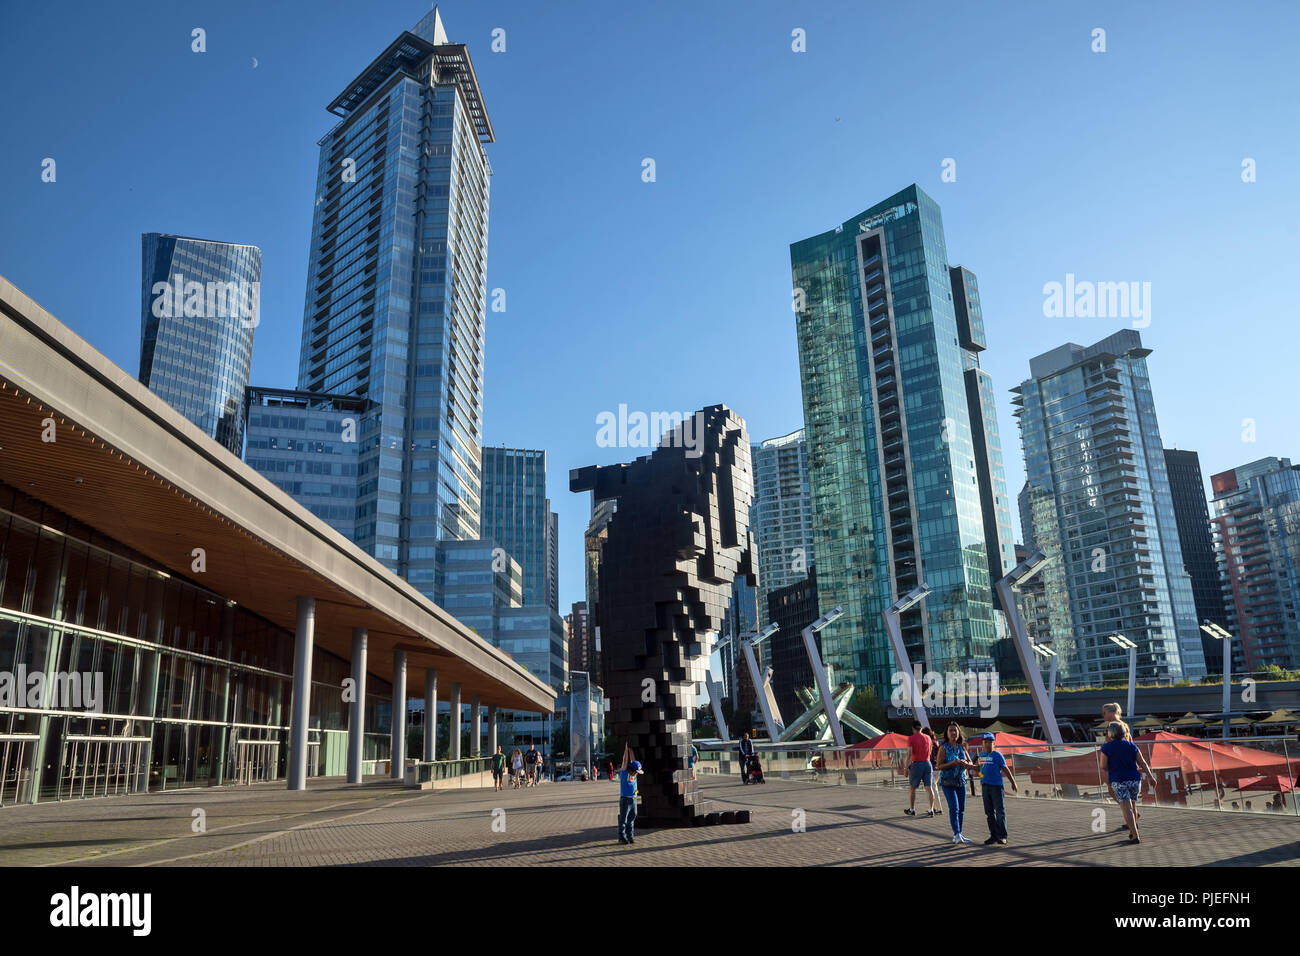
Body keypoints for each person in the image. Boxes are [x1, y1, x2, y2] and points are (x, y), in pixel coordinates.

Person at [1099, 720, 1156, 844]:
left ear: (1110, 734)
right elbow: (1142, 762)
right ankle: (1132, 830)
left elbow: (1103, 766)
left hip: (1118, 779)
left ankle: (1135, 835)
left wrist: (1112, 768)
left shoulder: (1107, 747)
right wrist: (1151, 777)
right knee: (1133, 806)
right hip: (1135, 779)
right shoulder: (1131, 745)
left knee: (1126, 808)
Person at [936, 724, 979, 844]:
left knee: (961, 809)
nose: (953, 733)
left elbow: (970, 762)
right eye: (951, 731)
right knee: (954, 808)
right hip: (948, 782)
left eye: (955, 731)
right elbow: (939, 766)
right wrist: (953, 763)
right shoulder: (943, 748)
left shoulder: (961, 747)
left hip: (961, 781)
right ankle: (956, 834)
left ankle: (959, 833)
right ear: (947, 733)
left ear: (959, 733)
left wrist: (966, 762)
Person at [976, 732, 1018, 844]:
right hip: (985, 787)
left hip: (996, 787)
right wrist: (981, 777)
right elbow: (980, 770)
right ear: (982, 744)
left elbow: (1005, 769)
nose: (988, 744)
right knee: (989, 812)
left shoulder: (998, 755)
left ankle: (1002, 836)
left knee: (1000, 812)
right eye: (986, 742)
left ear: (994, 743)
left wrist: (1013, 782)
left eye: (990, 742)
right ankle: (993, 835)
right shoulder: (981, 755)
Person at [1101, 703, 1137, 830]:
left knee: (1113, 791)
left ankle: (1130, 816)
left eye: (1104, 712)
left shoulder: (1112, 727)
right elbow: (1131, 743)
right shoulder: (1124, 725)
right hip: (1127, 763)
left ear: (1112, 712)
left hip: (1115, 765)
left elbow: (1108, 745)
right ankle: (1133, 818)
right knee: (1129, 795)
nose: (1103, 715)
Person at [904, 720, 937, 817]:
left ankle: (912, 809)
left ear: (913, 729)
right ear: (921, 728)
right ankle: (931, 809)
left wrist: (906, 768)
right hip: (927, 763)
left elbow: (909, 754)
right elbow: (930, 752)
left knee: (912, 788)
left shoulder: (911, 738)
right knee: (929, 788)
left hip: (917, 764)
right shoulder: (928, 738)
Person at [617, 742, 643, 845]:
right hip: (625, 800)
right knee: (623, 819)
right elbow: (625, 761)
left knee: (632, 817)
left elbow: (633, 760)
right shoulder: (624, 773)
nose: (637, 773)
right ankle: (621, 837)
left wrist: (631, 750)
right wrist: (626, 749)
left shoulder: (634, 774)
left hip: (633, 799)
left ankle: (630, 836)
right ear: (632, 770)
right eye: (636, 771)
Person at [923, 727, 942, 809]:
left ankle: (938, 808)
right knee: (933, 788)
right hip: (937, 768)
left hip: (930, 768)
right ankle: (934, 807)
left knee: (932, 789)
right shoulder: (936, 743)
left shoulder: (927, 743)